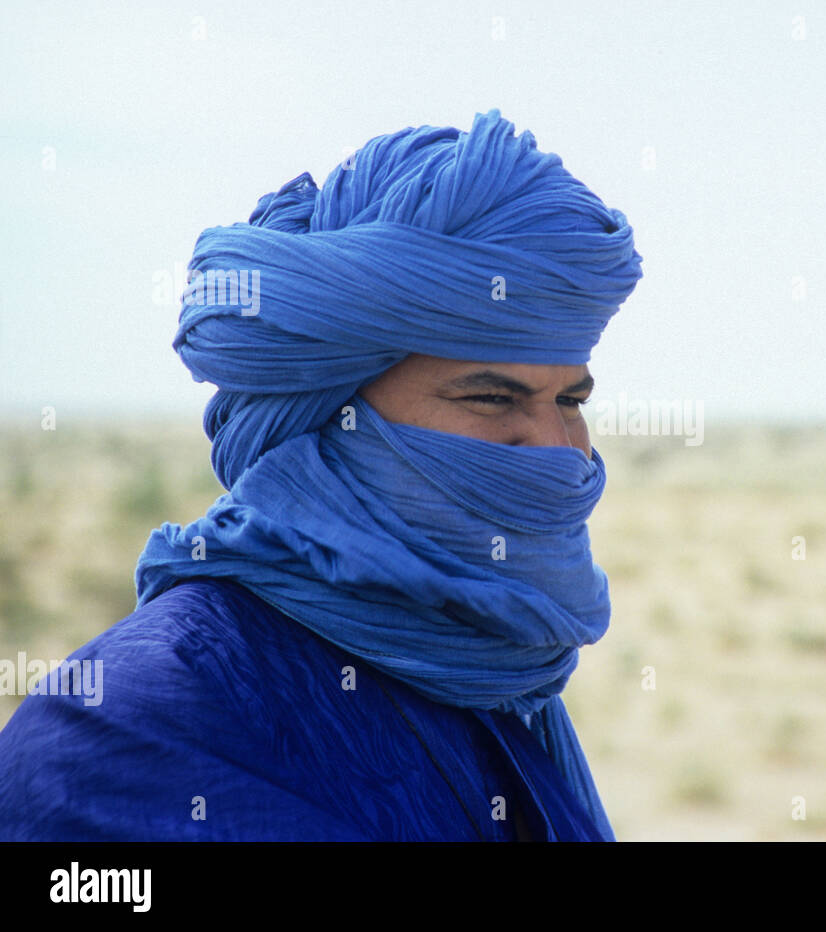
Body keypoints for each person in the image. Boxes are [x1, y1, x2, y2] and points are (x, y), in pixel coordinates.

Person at [0, 109, 643, 841]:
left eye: (571, 400)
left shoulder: (497, 681)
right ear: (328, 417)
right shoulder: (120, 740)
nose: (556, 448)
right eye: (492, 397)